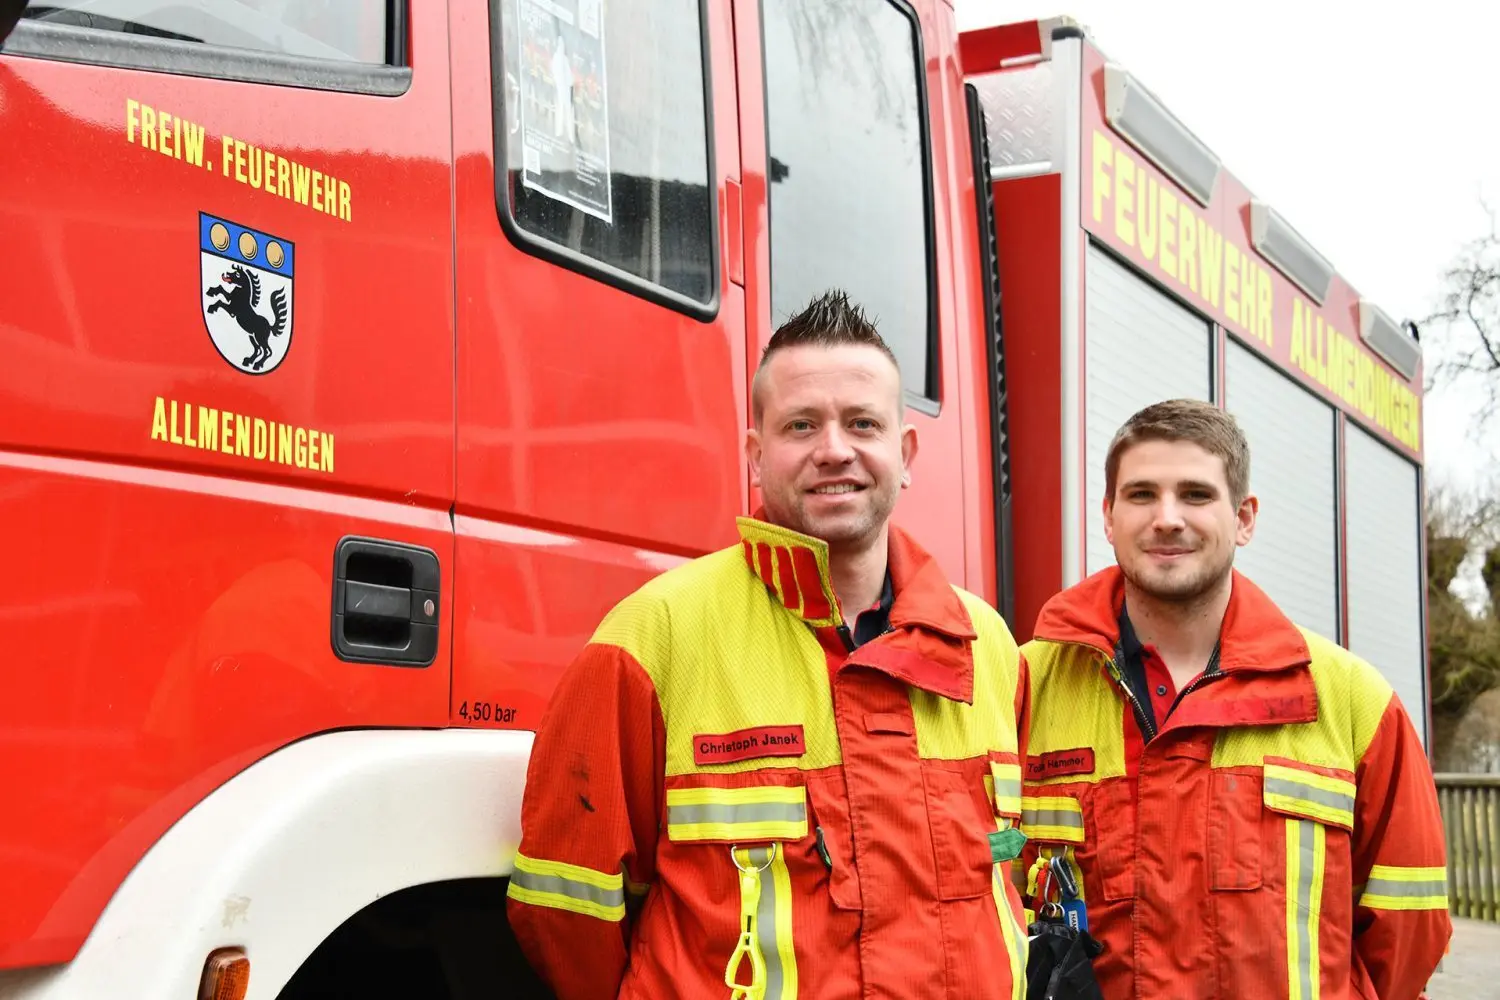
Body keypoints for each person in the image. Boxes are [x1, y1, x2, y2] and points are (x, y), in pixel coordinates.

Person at [506, 290, 1032, 999]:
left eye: (863, 423)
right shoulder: (654, 635)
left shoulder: (988, 644)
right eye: (801, 425)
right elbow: (565, 907)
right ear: (757, 454)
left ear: (905, 453)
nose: (834, 449)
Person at [1016, 398, 1451, 999]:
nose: (1167, 518)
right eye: (1142, 495)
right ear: (1108, 515)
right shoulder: (1024, 686)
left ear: (1244, 518)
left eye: (1196, 495)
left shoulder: (1353, 702)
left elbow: (1406, 939)